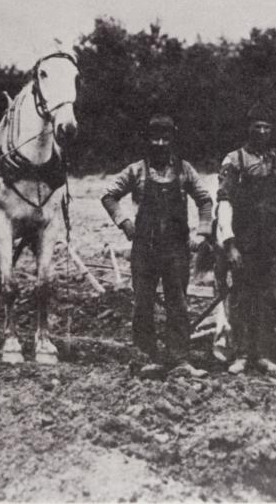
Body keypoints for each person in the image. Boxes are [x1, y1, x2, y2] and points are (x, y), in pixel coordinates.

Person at [101, 115, 213, 377]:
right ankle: (145, 357)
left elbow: (205, 200)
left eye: (165, 139)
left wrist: (203, 232)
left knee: (178, 303)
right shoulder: (136, 170)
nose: (160, 144)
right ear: (148, 141)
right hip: (144, 249)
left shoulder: (185, 170)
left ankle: (180, 359)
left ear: (172, 141)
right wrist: (125, 223)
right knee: (143, 303)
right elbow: (108, 195)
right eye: (155, 139)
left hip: (176, 250)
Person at [215, 104, 276, 375]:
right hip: (244, 240)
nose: (262, 132)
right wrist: (230, 243)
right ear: (248, 129)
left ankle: (262, 355)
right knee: (241, 297)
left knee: (268, 298)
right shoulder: (234, 160)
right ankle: (240, 355)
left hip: (272, 240)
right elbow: (224, 202)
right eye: (257, 127)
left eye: (267, 127)